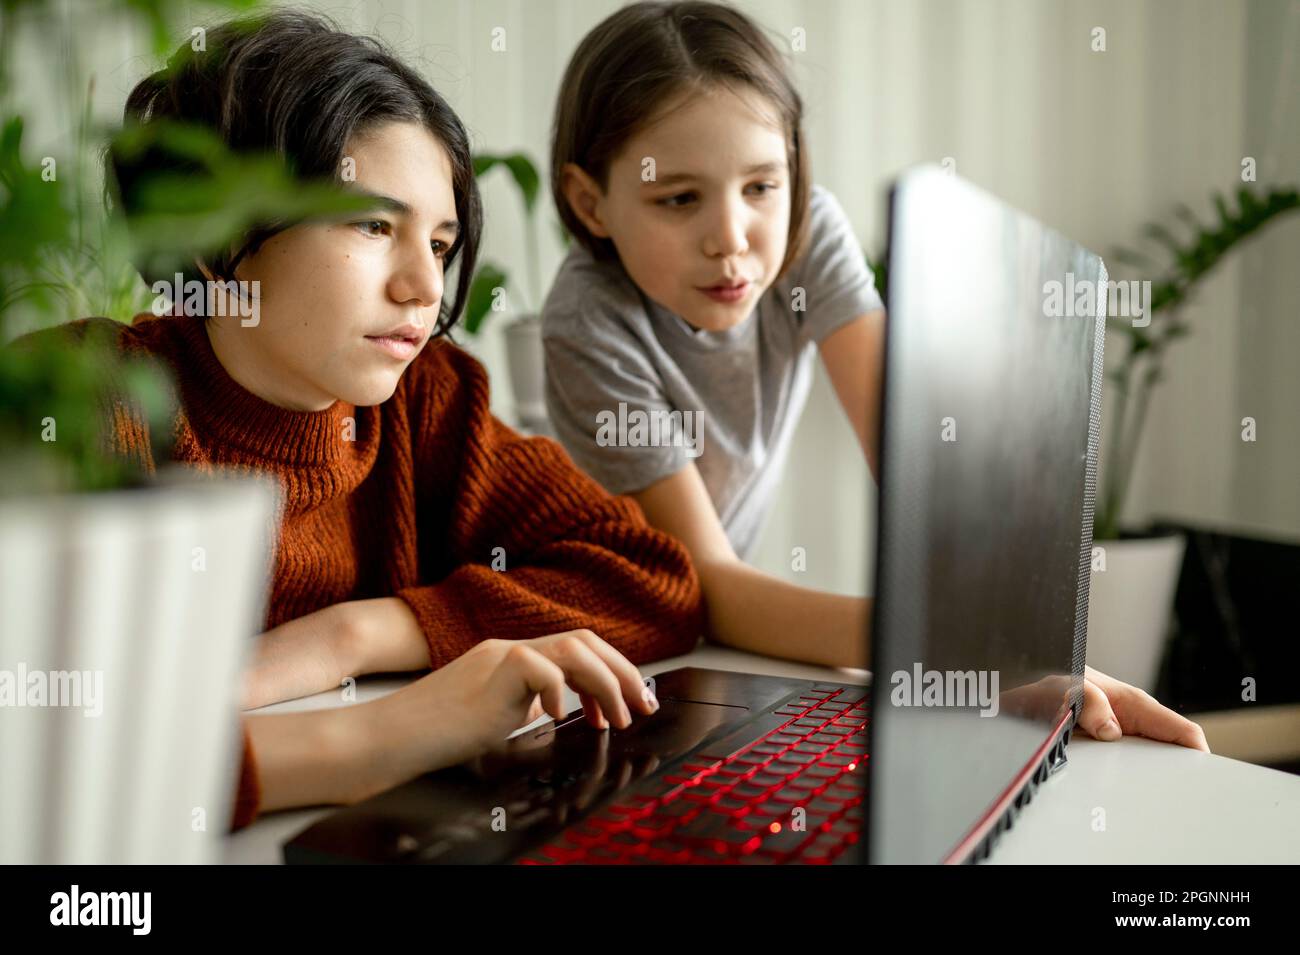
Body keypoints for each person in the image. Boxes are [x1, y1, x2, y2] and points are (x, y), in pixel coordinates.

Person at [17, 10, 704, 831]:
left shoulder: (427, 402)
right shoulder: (82, 397)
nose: (424, 286)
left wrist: (351, 637)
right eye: (374, 225)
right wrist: (373, 738)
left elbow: (653, 581)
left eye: (442, 244)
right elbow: (38, 754)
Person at [540, 1, 1208, 752]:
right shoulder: (586, 322)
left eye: (762, 185)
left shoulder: (804, 234)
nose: (731, 238)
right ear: (589, 202)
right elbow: (706, 588)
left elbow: (918, 462)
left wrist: (1013, 647)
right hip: (607, 651)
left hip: (693, 650)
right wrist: (953, 655)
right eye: (679, 198)